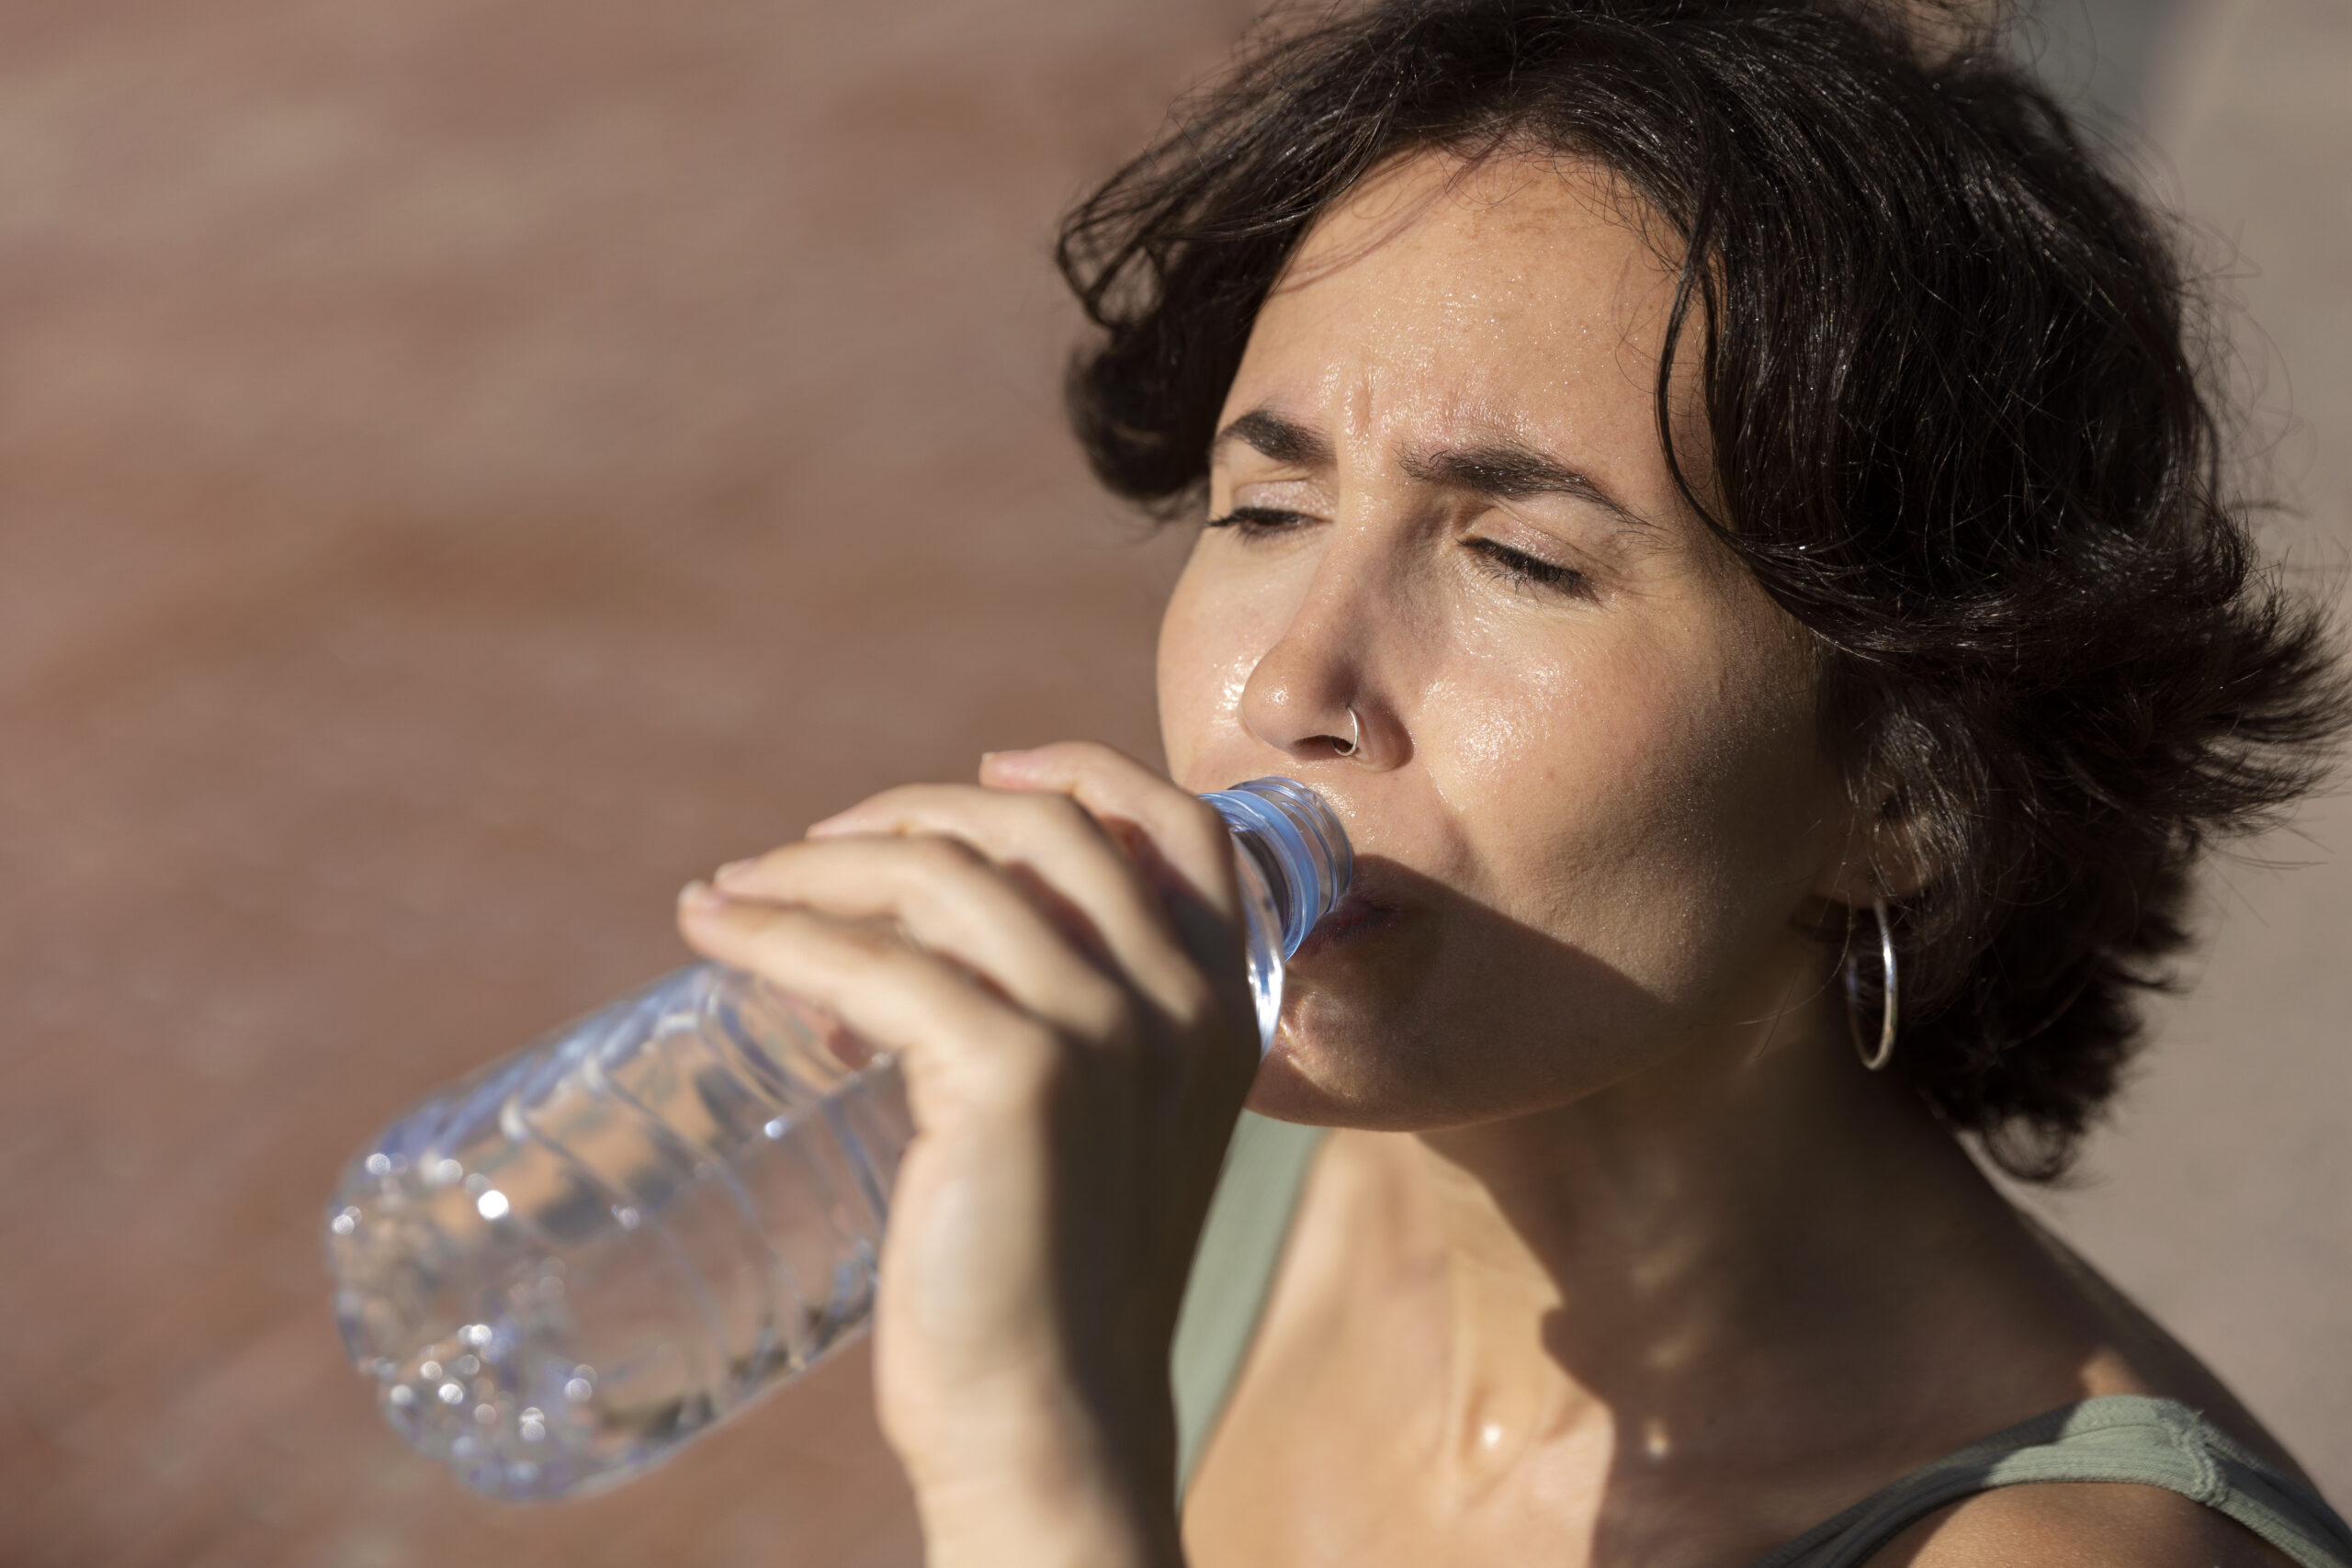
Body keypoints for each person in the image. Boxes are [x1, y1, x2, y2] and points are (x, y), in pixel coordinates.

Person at [676, 2, 2352, 1563]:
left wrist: (1032, 1463)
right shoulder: (1202, 1131)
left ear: (1906, 787)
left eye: (1519, 558)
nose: (1290, 689)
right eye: (1266, 513)